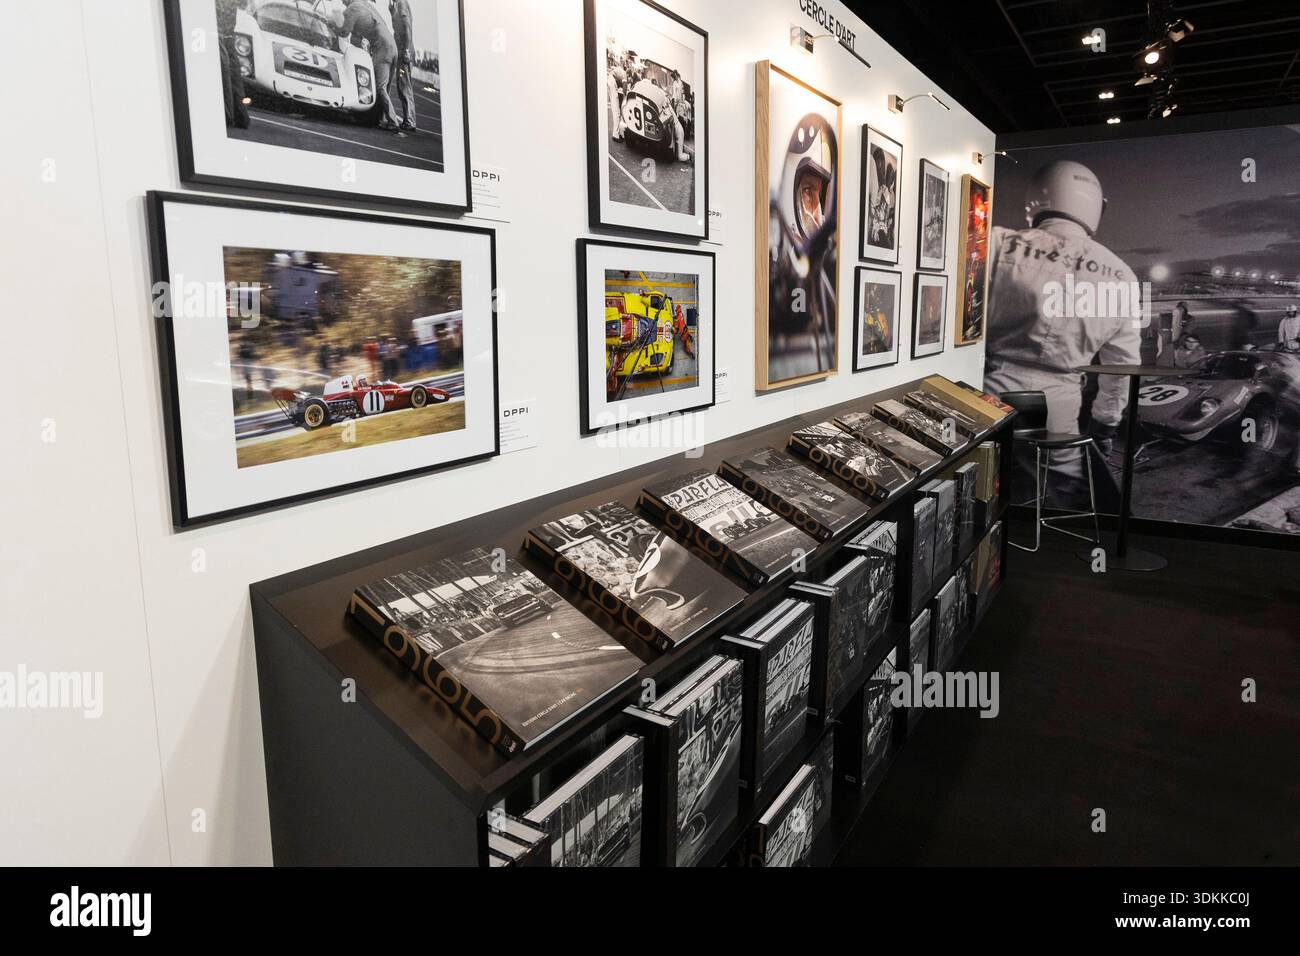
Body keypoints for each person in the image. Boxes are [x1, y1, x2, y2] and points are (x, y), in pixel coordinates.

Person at [985, 160, 1141, 478]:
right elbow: (1121, 368)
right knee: (1066, 500)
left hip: (988, 393)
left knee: (973, 487)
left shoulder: (998, 242)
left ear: (1034, 200)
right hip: (1060, 404)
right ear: (1100, 207)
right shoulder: (1122, 275)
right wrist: (1104, 426)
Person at [340, 0, 400, 132]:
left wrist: (332, 25)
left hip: (382, 46)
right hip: (391, 44)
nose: (342, 2)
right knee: (386, 86)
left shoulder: (352, 8)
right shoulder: (364, 4)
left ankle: (393, 121)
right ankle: (380, 118)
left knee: (379, 86)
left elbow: (344, 32)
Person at [216, 0, 249, 129]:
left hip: (221, 28)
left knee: (226, 72)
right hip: (228, 30)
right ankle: (239, 116)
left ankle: (229, 115)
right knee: (232, 74)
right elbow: (242, 4)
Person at [389, 0, 417, 131]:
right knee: (402, 86)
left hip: (404, 51)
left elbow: (407, 27)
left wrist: (406, 50)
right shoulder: (398, 5)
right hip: (401, 51)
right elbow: (400, 26)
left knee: (405, 86)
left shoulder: (401, 3)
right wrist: (392, 13)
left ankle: (410, 121)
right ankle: (408, 120)